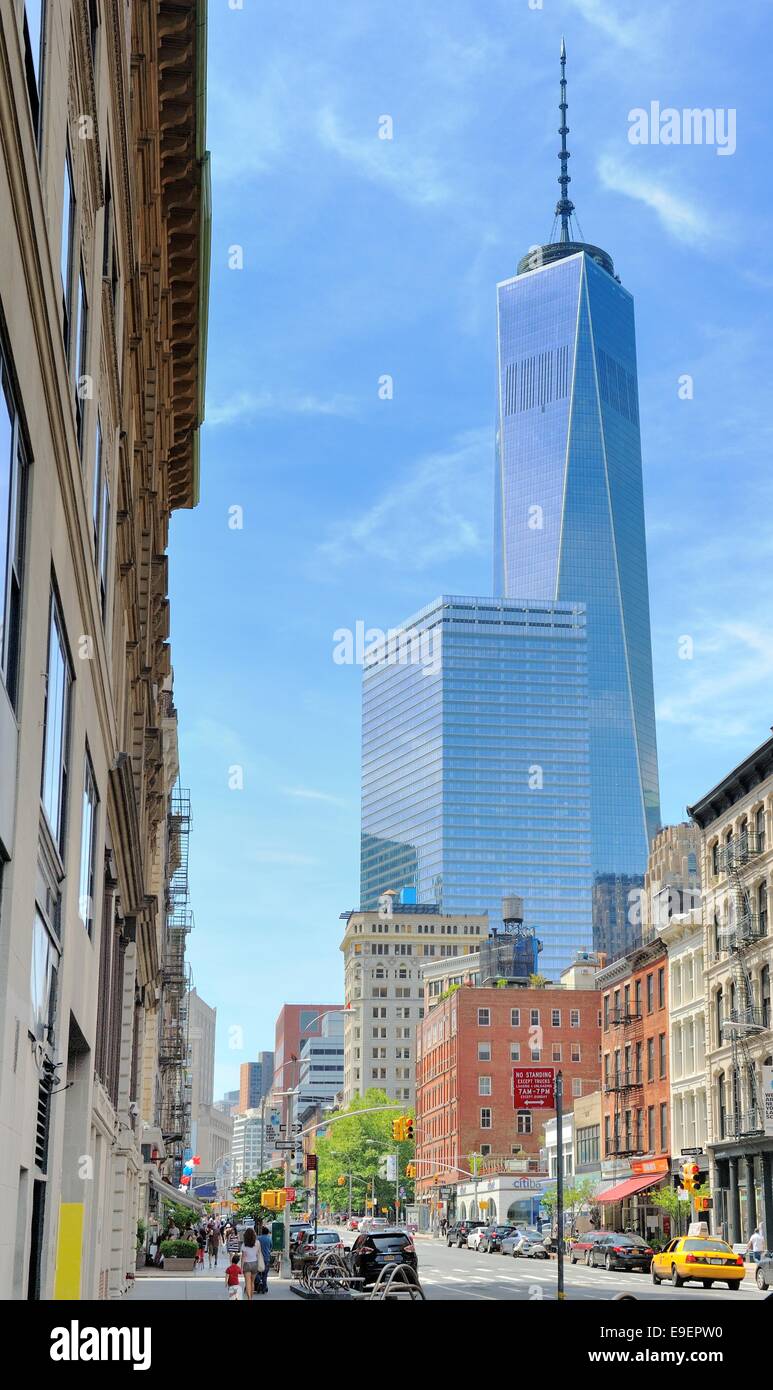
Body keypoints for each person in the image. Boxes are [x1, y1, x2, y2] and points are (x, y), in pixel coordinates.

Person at [240, 1226, 264, 1302]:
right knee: (252, 1282)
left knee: (247, 1283)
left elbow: (243, 1257)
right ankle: (251, 1297)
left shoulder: (244, 1244)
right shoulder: (257, 1243)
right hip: (255, 1263)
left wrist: (241, 1268)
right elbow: (258, 1253)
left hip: (246, 1264)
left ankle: (249, 1299)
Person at [257, 1225, 272, 1295]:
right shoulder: (269, 1239)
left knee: (258, 1272)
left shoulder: (258, 1238)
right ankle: (264, 1286)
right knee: (265, 1274)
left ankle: (258, 1283)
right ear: (267, 1232)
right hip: (267, 1258)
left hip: (259, 1259)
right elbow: (271, 1247)